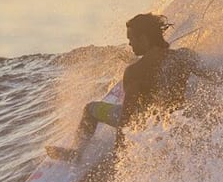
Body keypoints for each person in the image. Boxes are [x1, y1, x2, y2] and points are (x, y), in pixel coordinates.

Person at [47, 13, 203, 162]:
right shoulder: (184, 56)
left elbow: (126, 118)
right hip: (173, 119)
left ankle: (76, 153)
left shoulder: (135, 72)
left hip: (145, 122)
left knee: (90, 109)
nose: (129, 43)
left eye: (131, 39)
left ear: (143, 38)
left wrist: (119, 154)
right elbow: (213, 73)